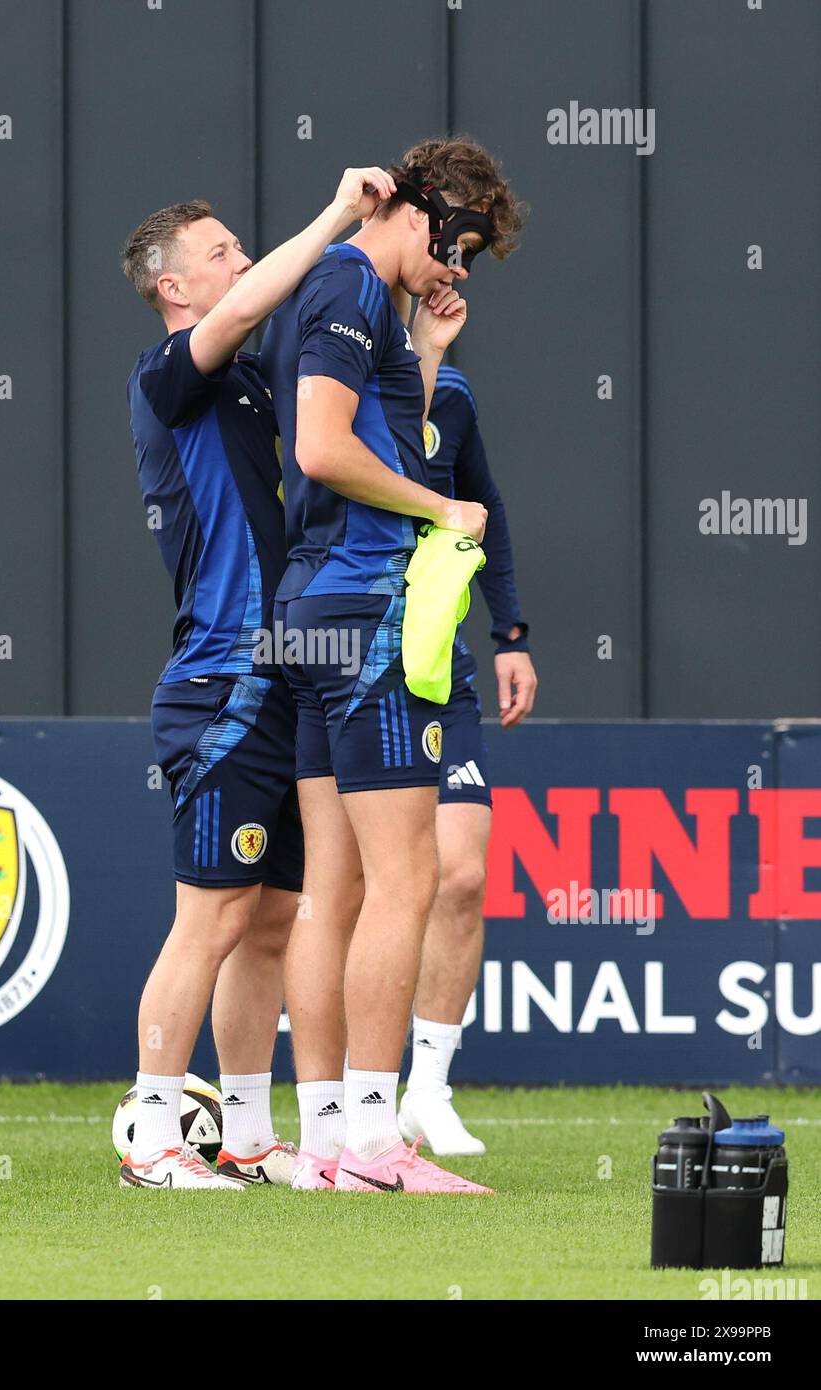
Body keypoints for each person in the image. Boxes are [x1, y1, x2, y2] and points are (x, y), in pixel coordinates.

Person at [120, 166, 396, 1190]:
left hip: (278, 670)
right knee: (213, 915)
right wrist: (337, 218)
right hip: (220, 677)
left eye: (241, 245)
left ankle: (242, 1133)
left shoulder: (239, 373)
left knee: (270, 918)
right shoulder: (166, 373)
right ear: (174, 288)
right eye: (221, 251)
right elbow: (256, 301)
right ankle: (150, 1132)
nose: (240, 263)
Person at [261, 136, 524, 1193]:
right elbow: (322, 450)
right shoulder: (344, 284)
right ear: (418, 215)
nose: (456, 268)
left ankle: (324, 1135)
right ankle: (373, 1140)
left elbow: (370, 437)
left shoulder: (366, 301)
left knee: (331, 887)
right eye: (454, 245)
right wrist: (440, 508)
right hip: (365, 611)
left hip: (311, 611)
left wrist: (418, 349)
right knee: (406, 878)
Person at [398, 362, 537, 1156]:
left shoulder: (450, 396)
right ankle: (353, 1097)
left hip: (438, 671)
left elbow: (489, 511)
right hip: (344, 663)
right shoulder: (327, 383)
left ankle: (428, 1089)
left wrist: (509, 635)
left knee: (461, 876)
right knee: (360, 885)